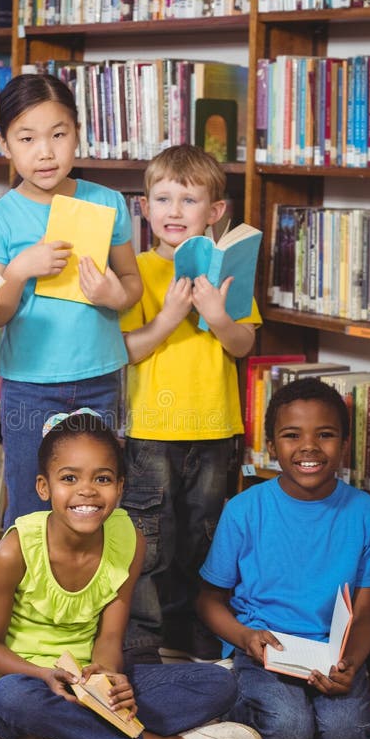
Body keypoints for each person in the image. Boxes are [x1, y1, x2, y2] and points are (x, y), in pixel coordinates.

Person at [0, 411, 265, 739]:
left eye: (103, 478)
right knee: (9, 699)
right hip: (29, 684)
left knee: (220, 683)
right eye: (69, 478)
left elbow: (111, 636)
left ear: (121, 486)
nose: (87, 490)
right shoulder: (13, 551)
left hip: (91, 685)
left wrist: (111, 678)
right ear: (43, 487)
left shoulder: (130, 540)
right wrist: (44, 675)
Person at [0, 73, 142, 525]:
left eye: (58, 135)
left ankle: (89, 595)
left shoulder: (107, 202)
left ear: (77, 135)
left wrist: (114, 293)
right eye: (27, 138)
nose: (45, 152)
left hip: (100, 378)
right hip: (30, 384)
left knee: (97, 504)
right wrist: (19, 269)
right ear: (6, 146)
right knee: (30, 503)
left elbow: (132, 283)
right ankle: (30, 597)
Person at [119, 144, 262, 665]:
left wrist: (215, 312)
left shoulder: (229, 270)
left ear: (216, 211)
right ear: (144, 207)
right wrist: (169, 317)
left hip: (213, 429)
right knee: (150, 540)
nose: (174, 211)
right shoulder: (134, 272)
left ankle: (200, 636)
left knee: (205, 539)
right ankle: (141, 642)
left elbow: (242, 344)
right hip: (150, 430)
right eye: (162, 199)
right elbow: (125, 350)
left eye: (189, 199)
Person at [197, 377, 370, 739]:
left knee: (348, 734)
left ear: (345, 445)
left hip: (331, 654)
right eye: (292, 435)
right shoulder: (244, 510)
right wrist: (244, 638)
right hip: (265, 650)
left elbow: (366, 612)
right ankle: (232, 694)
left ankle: (308, 703)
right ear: (271, 446)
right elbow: (208, 600)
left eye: (325, 435)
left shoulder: (367, 515)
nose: (309, 447)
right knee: (288, 730)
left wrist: (350, 663)